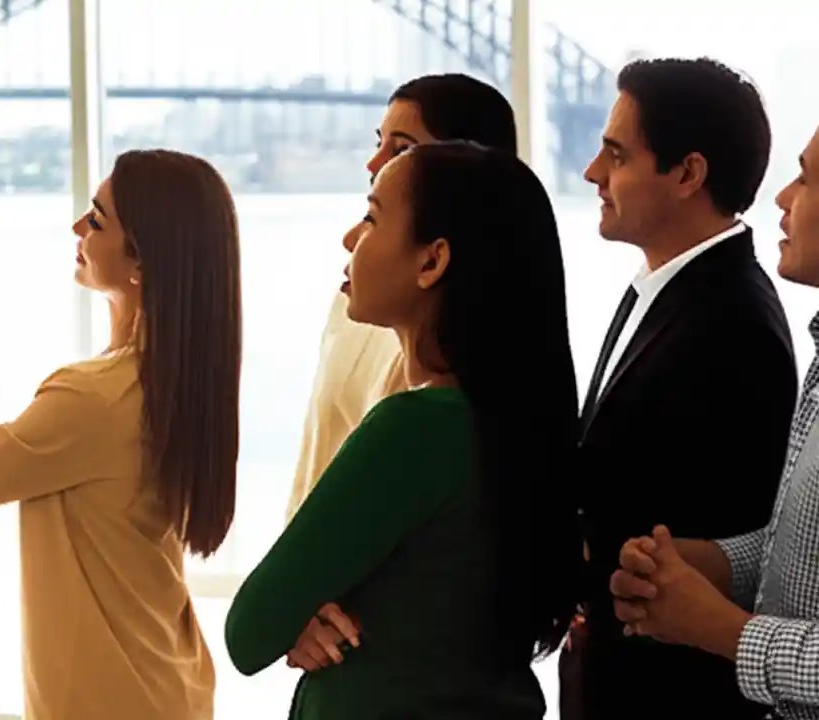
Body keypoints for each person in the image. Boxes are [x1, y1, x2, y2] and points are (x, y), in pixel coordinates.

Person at [0, 149, 242, 720]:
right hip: (170, 685)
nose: (77, 228)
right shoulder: (179, 379)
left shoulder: (92, 400)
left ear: (143, 262)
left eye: (98, 220)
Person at [225, 141, 581, 718]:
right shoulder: (519, 424)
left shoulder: (414, 429)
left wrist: (300, 611)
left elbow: (249, 631)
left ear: (431, 261)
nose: (350, 239)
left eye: (371, 217)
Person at [570, 57, 798, 720]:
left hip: (672, 695)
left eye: (617, 154)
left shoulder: (735, 323)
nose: (592, 173)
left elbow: (733, 536)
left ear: (688, 174)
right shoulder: (664, 290)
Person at [610, 125, 819, 720]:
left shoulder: (736, 319)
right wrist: (712, 562)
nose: (782, 198)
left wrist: (725, 630)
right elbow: (806, 555)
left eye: (806, 178)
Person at [285, 72, 517, 522]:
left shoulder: (453, 355)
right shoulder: (352, 299)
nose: (374, 164)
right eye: (379, 142)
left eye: (402, 148)